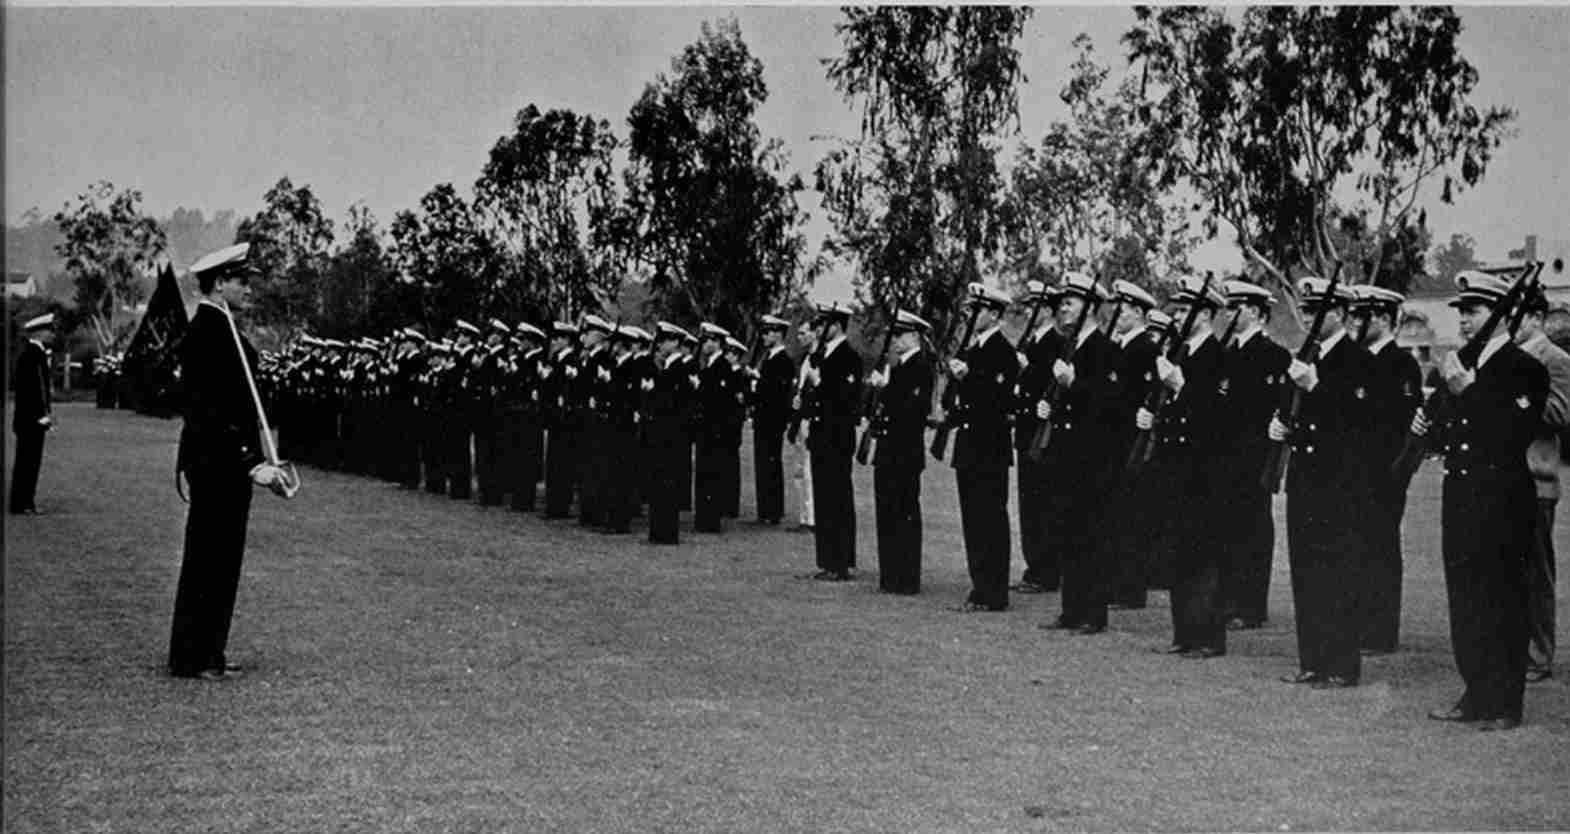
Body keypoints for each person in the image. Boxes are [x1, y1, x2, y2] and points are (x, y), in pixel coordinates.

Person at [1418, 270, 1547, 731]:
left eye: (1473, 311)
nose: (1465, 320)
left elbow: (1512, 436)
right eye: (1462, 311)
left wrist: (1467, 392)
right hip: (1461, 495)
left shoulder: (1525, 369)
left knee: (1503, 600)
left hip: (1502, 498)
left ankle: (1505, 703)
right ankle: (1475, 692)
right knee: (1466, 599)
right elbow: (1448, 432)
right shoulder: (1460, 363)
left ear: (1501, 314)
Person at [167, 243, 291, 680]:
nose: (249, 289)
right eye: (242, 280)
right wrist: (249, 462)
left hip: (225, 462)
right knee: (210, 557)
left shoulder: (223, 330)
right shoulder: (207, 332)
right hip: (217, 462)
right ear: (220, 283)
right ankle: (193, 656)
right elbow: (209, 411)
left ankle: (208, 651)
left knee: (221, 559)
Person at [1271, 276, 1373, 689]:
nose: (1310, 317)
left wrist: (1318, 387)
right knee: (1306, 571)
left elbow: (1359, 424)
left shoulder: (1357, 361)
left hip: (1339, 484)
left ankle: (1342, 664)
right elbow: (1295, 414)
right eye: (1307, 310)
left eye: (1320, 310)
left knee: (1338, 572)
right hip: (1305, 479)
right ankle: (1313, 659)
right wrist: (1282, 427)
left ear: (1342, 315)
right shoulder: (1305, 355)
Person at [1147, 276, 1228, 658]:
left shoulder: (1215, 356)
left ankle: (1208, 637)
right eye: (1177, 309)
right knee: (1179, 551)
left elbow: (1216, 416)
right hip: (1175, 467)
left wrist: (1183, 387)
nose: (1178, 316)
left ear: (1207, 314)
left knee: (1203, 554)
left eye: (1185, 310)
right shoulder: (1181, 352)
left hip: (1203, 471)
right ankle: (1184, 634)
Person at [1039, 273, 1121, 633]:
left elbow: (1108, 403)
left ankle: (1093, 613)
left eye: (1070, 302)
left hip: (1092, 458)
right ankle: (1072, 608)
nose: (1063, 308)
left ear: (1089, 307)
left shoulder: (1104, 349)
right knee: (1068, 531)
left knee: (1092, 534)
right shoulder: (1068, 346)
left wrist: (1075, 384)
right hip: (1066, 454)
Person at [1347, 286, 1423, 656]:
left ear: (1383, 319)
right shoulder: (1356, 360)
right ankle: (1360, 625)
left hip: (1384, 474)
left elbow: (1401, 426)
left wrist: (1396, 474)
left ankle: (1380, 632)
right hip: (1354, 472)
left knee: (1381, 549)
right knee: (1357, 548)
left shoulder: (1402, 364)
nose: (1357, 323)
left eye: (1364, 316)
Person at [1215, 281, 1291, 631]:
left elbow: (1273, 410)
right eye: (1228, 308)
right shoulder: (1226, 353)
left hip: (1254, 455)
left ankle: (1251, 605)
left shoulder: (1273, 356)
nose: (1230, 314)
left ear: (1258, 312)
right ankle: (1230, 599)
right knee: (1228, 528)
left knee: (1253, 528)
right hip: (1226, 456)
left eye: (1237, 307)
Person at [946, 283, 1021, 611]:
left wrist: (968, 379)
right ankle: (980, 586)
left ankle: (993, 592)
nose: (970, 315)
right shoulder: (974, 350)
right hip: (970, 444)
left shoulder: (1002, 351)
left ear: (994, 314)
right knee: (973, 520)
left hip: (988, 447)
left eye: (977, 309)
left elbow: (996, 402)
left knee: (989, 519)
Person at [1513, 285, 1570, 683]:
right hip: (1506, 476)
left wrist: (1512, 398)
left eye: (1517, 315)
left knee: (1535, 571)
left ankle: (1539, 652)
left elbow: (1559, 411)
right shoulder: (1507, 357)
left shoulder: (1555, 358)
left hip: (1537, 477)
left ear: (1535, 317)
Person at [867, 310, 934, 594]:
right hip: (888, 448)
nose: (894, 340)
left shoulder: (920, 366)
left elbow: (914, 411)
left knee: (904, 513)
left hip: (904, 452)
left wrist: (887, 390)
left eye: (900, 334)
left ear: (915, 336)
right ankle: (890, 574)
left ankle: (905, 577)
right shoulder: (896, 367)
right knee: (887, 512)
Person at [1011, 282, 1065, 594]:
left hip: (1042, 434)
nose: (1030, 311)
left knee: (1043, 504)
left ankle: (1046, 571)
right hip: (1027, 431)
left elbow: (1050, 385)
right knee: (1029, 505)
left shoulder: (1056, 343)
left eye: (1036, 306)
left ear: (1047, 309)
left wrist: (1028, 369)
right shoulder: (1030, 342)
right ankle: (1035, 568)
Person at [804, 303, 862, 580]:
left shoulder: (848, 357)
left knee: (837, 499)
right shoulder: (825, 354)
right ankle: (827, 560)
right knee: (824, 499)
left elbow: (845, 400)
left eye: (822, 324)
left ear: (836, 325)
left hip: (836, 438)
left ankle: (840, 562)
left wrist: (819, 384)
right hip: (821, 436)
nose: (818, 329)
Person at [647, 323, 696, 545]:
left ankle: (666, 532)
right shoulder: (668, 368)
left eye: (665, 340)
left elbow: (676, 406)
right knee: (660, 483)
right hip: (663, 434)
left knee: (667, 484)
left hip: (671, 436)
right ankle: (659, 531)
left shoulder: (678, 370)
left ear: (675, 343)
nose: (660, 344)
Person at [9, 313, 55, 516]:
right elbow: (36, 389)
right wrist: (42, 414)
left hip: (27, 418)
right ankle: (23, 502)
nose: (52, 334)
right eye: (49, 330)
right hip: (31, 419)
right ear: (40, 332)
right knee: (28, 462)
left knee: (27, 461)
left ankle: (24, 501)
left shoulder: (31, 353)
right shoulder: (33, 355)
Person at [752, 316, 795, 525]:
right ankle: (765, 509)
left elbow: (778, 394)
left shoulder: (783, 361)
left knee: (771, 462)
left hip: (772, 419)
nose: (764, 337)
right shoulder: (768, 359)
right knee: (763, 462)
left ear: (778, 334)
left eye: (768, 332)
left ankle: (773, 510)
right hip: (763, 417)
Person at [694, 323, 736, 533]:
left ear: (717, 342)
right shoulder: (709, 366)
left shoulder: (722, 367)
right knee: (703, 473)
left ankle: (710, 519)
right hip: (705, 428)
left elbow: (721, 402)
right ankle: (703, 517)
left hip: (715, 429)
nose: (703, 344)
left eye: (708, 340)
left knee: (711, 474)